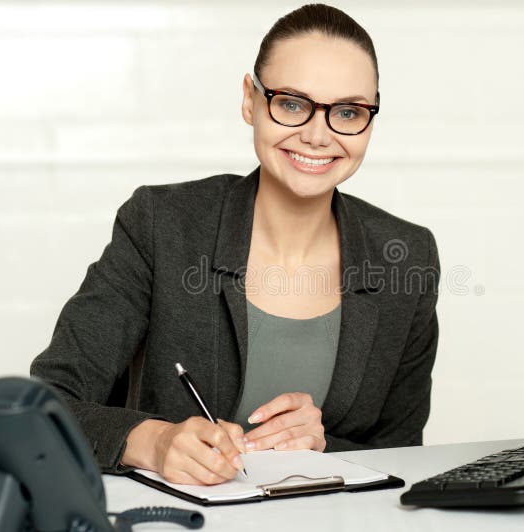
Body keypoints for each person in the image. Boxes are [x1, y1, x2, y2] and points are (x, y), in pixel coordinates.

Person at [31, 3, 440, 486]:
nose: (315, 135)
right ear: (251, 99)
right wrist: (153, 442)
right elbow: (44, 404)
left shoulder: (407, 256)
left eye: (348, 112)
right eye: (291, 103)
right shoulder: (161, 224)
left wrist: (323, 449)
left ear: (369, 121)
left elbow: (402, 456)